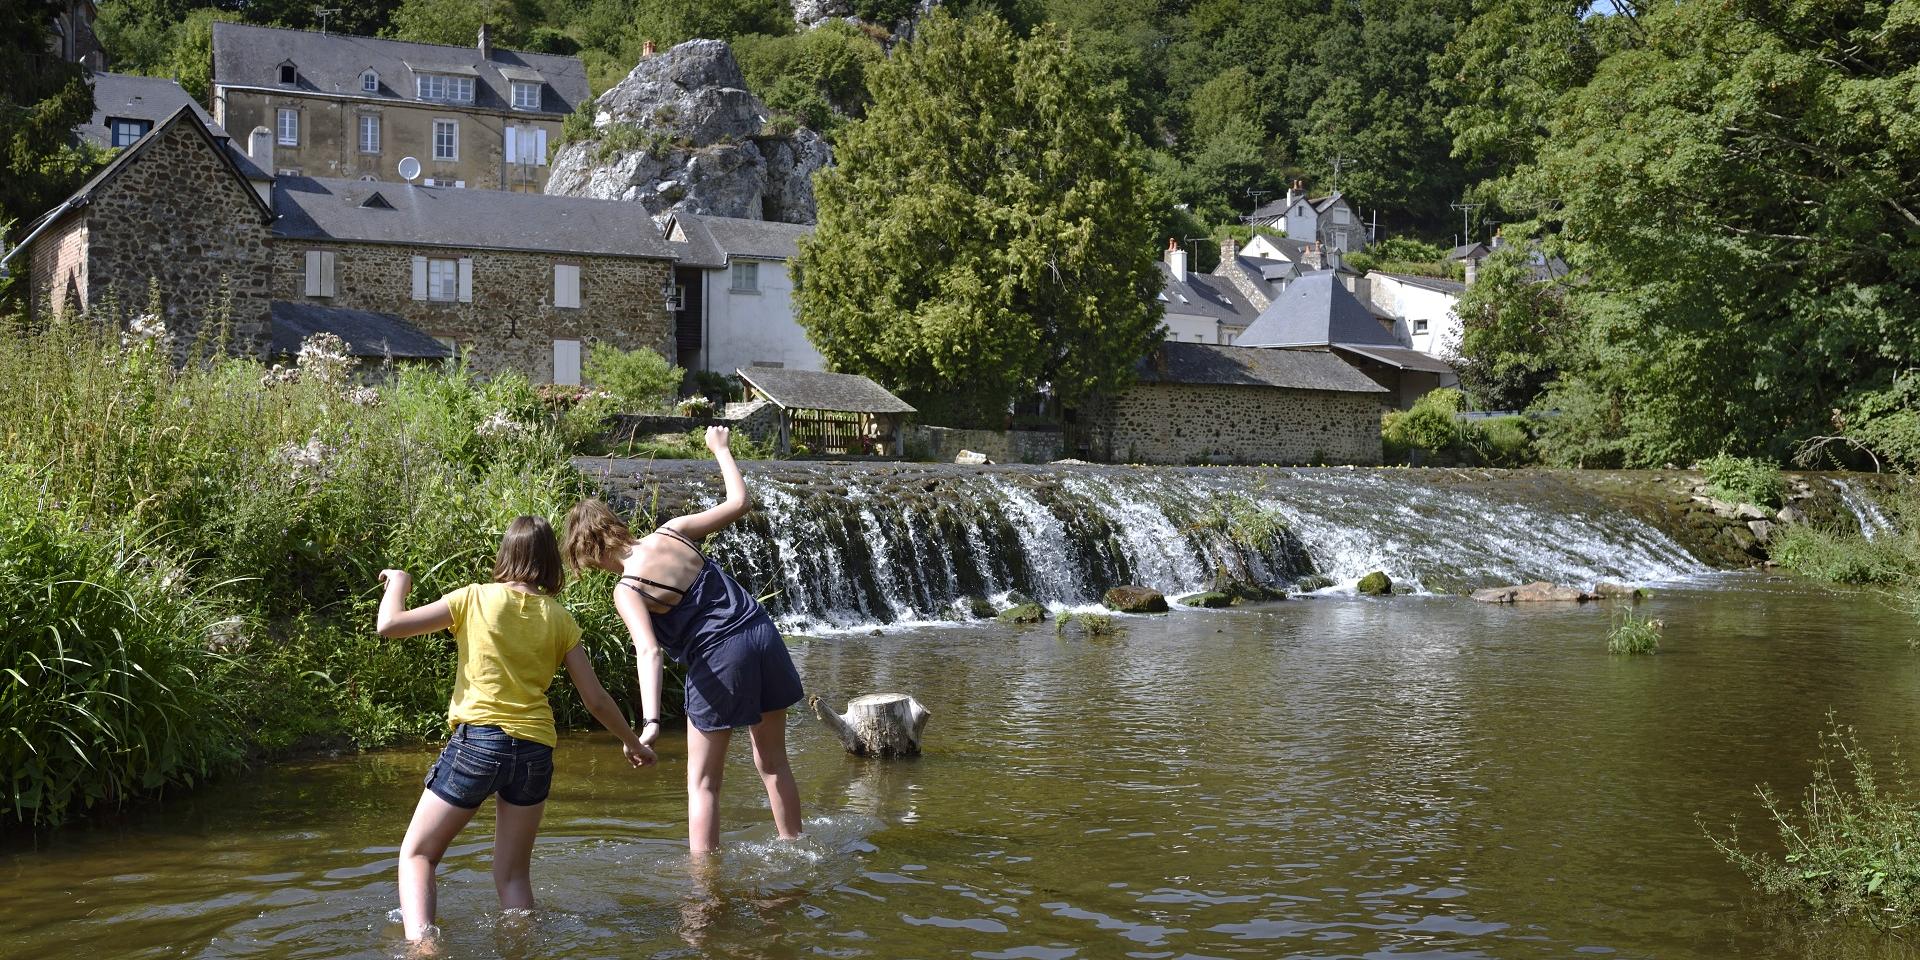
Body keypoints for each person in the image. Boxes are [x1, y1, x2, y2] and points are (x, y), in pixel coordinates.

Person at [376, 515, 654, 945]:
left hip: (479, 743)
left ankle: (423, 947)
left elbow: (389, 625)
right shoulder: (560, 619)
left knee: (418, 854)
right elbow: (595, 698)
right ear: (550, 563)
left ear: (506, 555)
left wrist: (399, 581)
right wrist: (632, 742)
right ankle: (523, 948)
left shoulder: (473, 598)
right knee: (512, 876)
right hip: (535, 752)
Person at [564, 425, 804, 854]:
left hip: (720, 657)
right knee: (773, 764)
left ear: (592, 550)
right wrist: (721, 449)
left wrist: (652, 722)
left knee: (703, 783)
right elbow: (738, 502)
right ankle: (797, 850)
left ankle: (704, 886)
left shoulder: (628, 588)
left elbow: (649, 651)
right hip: (762, 633)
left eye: (588, 562)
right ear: (614, 526)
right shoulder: (672, 530)